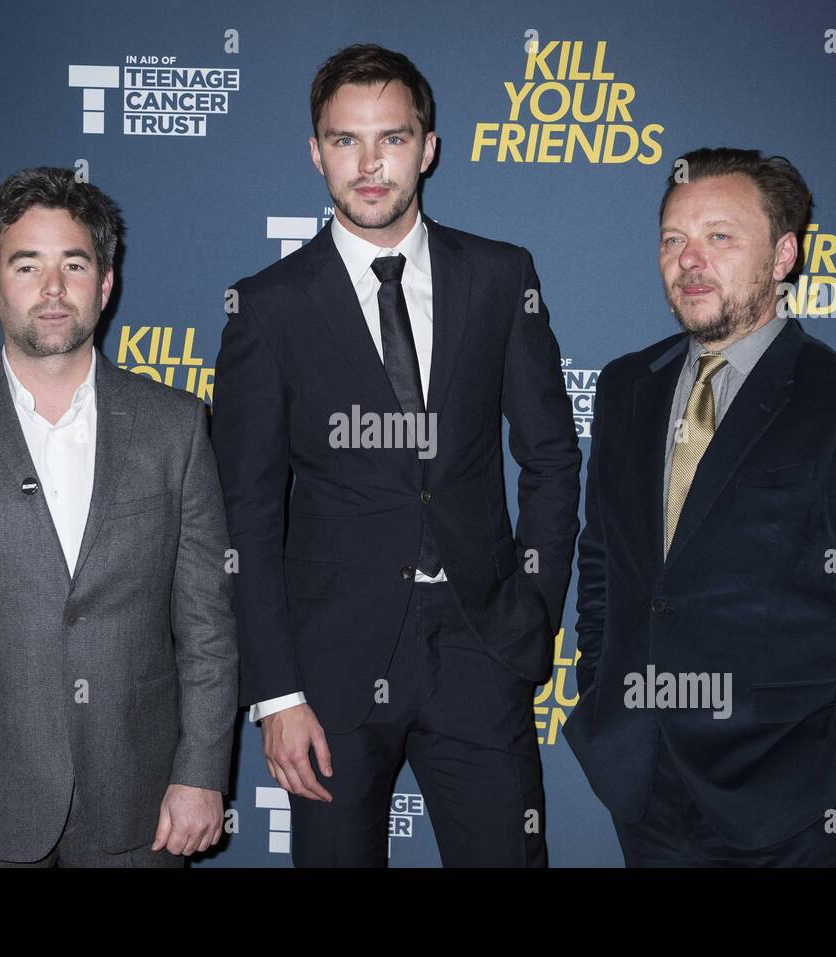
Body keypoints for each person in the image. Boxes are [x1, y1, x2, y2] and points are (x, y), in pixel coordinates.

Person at [211, 44, 580, 867]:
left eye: (392, 138)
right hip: (329, 667)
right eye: (346, 140)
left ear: (429, 148)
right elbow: (246, 512)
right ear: (316, 152)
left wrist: (533, 610)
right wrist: (276, 691)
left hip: (480, 647)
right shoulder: (267, 308)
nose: (369, 164)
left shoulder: (500, 276)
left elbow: (552, 457)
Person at [563, 147, 836, 866]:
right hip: (642, 781)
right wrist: (599, 691)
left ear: (783, 257)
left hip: (789, 797)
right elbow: (604, 560)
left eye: (720, 236)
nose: (689, 260)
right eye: (673, 238)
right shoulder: (625, 386)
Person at [0, 167, 238, 867]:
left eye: (74, 263)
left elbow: (208, 627)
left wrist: (201, 771)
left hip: (143, 804)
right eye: (27, 265)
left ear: (106, 283)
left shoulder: (176, 427)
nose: (54, 288)